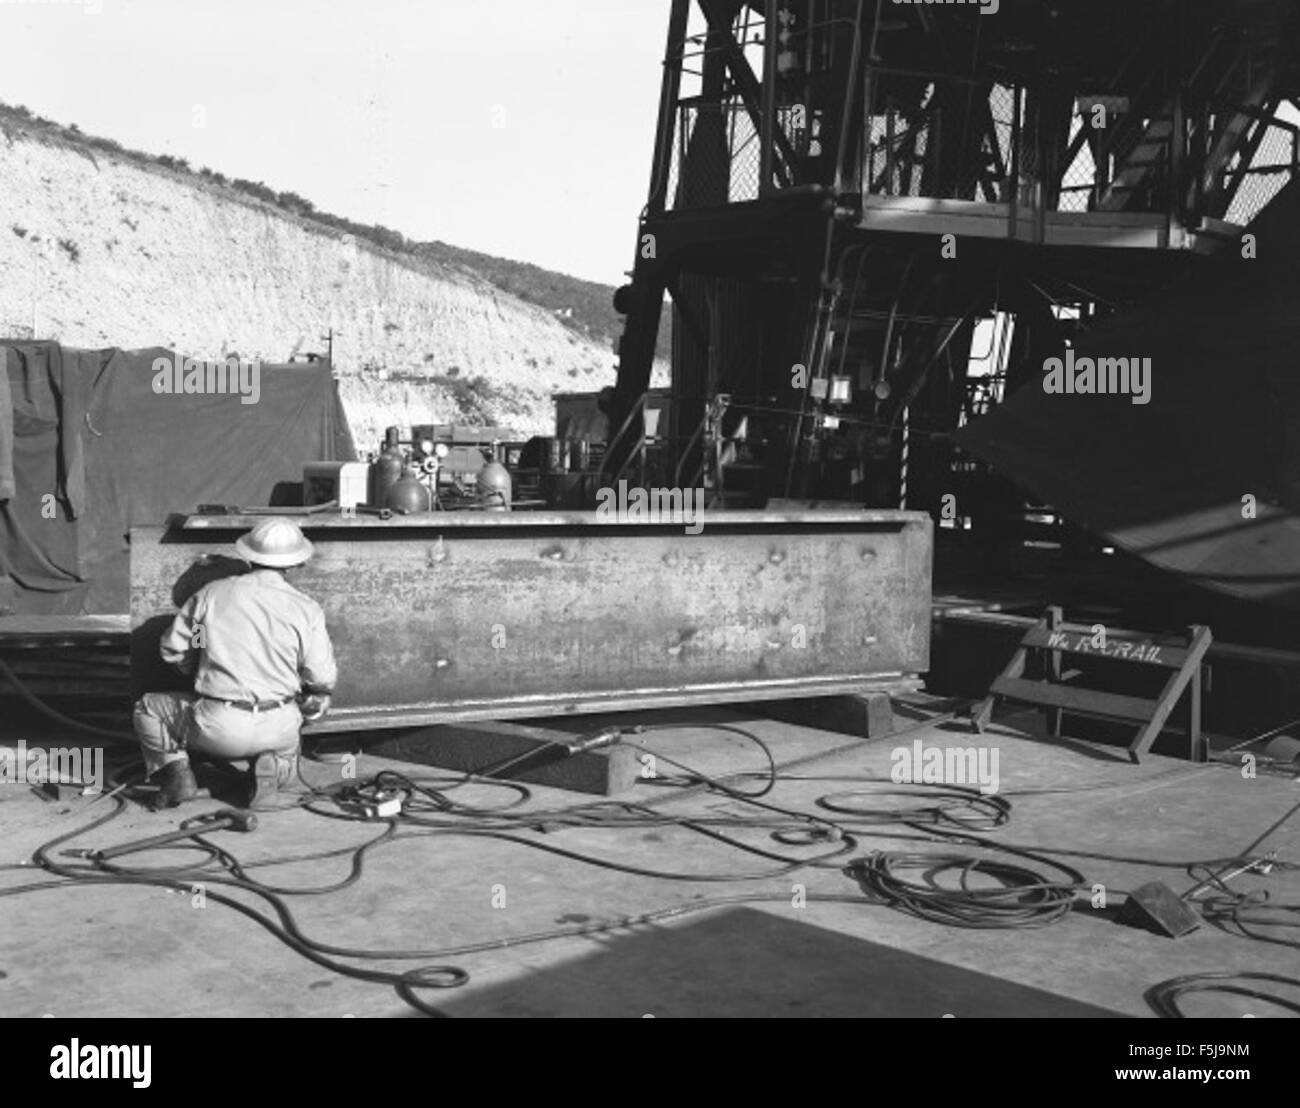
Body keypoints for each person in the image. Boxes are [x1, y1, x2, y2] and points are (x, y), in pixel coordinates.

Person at [133, 518, 337, 811]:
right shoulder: (306, 609)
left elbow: (176, 649)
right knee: (295, 730)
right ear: (293, 565)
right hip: (280, 726)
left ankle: (176, 773)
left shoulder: (211, 595)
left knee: (147, 708)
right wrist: (318, 696)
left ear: (249, 556)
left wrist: (195, 661)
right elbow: (321, 675)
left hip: (219, 725)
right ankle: (272, 770)